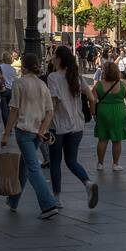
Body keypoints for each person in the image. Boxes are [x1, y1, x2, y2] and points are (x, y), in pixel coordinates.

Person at [0, 51, 60, 219]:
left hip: (24, 131)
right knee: (25, 166)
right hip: (36, 132)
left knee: (32, 167)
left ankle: (48, 205)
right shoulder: (43, 85)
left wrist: (5, 133)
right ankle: (13, 200)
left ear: (23, 67)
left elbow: (14, 110)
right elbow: (50, 112)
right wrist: (42, 131)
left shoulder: (19, 84)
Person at [47, 45, 99, 209]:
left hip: (58, 125)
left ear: (60, 59)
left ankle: (57, 197)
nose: (52, 59)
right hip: (77, 125)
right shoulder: (76, 76)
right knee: (71, 161)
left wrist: (46, 125)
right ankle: (88, 183)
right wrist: (92, 113)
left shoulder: (53, 77)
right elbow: (91, 97)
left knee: (55, 162)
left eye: (54, 56)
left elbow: (53, 104)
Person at [92, 60, 126, 172]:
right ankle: (115, 164)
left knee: (103, 139)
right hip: (119, 112)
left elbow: (92, 100)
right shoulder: (122, 84)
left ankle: (100, 163)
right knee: (117, 140)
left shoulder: (99, 85)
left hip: (103, 112)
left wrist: (93, 112)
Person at [0, 52, 17, 126]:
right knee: (10, 109)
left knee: (4, 109)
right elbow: (15, 80)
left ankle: (7, 126)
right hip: (11, 90)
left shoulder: (0, 67)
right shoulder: (13, 69)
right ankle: (10, 124)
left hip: (3, 90)